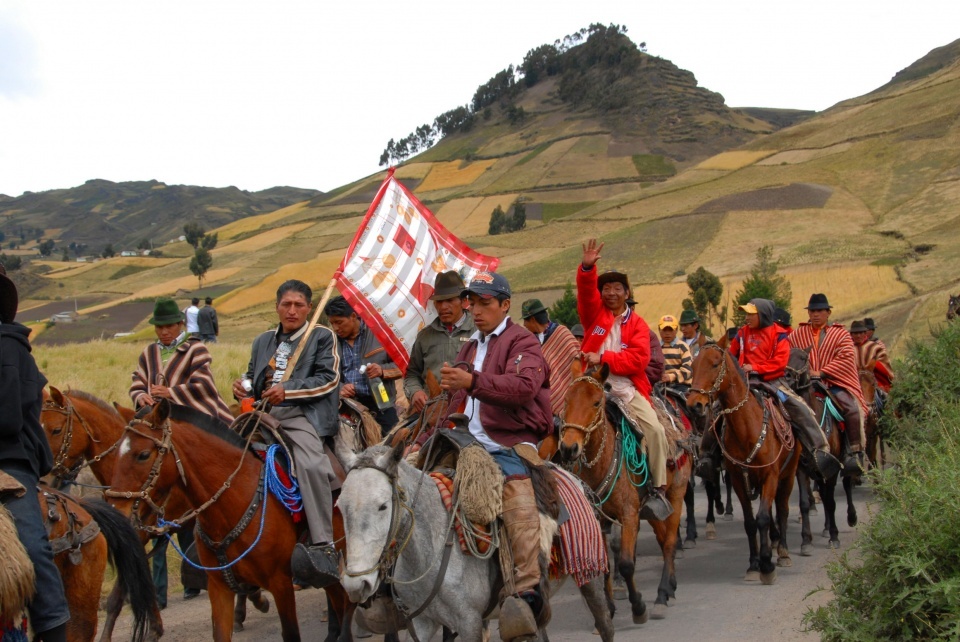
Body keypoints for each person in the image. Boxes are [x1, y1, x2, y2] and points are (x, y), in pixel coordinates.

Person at [412, 271, 552, 640]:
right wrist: (422, 438)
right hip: (463, 439)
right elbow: (452, 401)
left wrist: (473, 382)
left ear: (505, 305)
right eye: (472, 302)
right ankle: (398, 583)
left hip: (509, 440)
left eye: (485, 302)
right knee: (406, 481)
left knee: (517, 497)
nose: (475, 309)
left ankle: (527, 590)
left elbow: (523, 388)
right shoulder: (469, 348)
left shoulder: (522, 341)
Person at [231, 279, 341, 588]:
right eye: (286, 304)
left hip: (300, 414)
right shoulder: (263, 340)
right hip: (260, 414)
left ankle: (323, 544)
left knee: (312, 464)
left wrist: (288, 390)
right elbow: (253, 375)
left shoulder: (322, 336)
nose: (291, 310)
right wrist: (242, 386)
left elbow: (329, 379)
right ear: (277, 306)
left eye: (299, 305)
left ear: (308, 307)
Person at [130, 297, 233, 604]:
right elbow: (136, 383)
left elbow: (204, 385)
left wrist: (169, 393)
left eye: (168, 326)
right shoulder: (149, 353)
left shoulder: (196, 348)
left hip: (191, 428)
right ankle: (159, 590)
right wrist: (142, 398)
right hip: (160, 430)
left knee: (194, 505)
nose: (163, 332)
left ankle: (195, 579)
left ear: (179, 325)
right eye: (159, 327)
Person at [576, 239, 673, 520]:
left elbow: (639, 361)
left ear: (627, 293)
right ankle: (567, 483)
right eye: (606, 288)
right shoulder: (593, 315)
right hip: (593, 386)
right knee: (566, 424)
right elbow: (585, 293)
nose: (611, 293)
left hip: (626, 388)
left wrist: (604, 359)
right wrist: (587, 268)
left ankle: (658, 489)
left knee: (654, 430)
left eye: (617, 288)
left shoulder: (638, 324)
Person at [0, 264, 70, 642]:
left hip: (8, 460)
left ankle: (52, 623)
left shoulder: (7, 345)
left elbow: (7, 418)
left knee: (30, 543)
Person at [729, 299, 841, 483]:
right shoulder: (742, 334)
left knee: (800, 408)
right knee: (718, 408)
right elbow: (731, 355)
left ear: (763, 315)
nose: (747, 317)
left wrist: (755, 367)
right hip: (744, 383)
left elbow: (780, 362)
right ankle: (708, 456)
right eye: (746, 314)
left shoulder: (779, 334)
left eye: (751, 314)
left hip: (773, 382)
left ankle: (819, 451)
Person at [789, 293, 868, 475]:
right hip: (804, 385)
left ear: (828, 313)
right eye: (812, 311)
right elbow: (790, 356)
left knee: (851, 408)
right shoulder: (797, 335)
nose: (815, 314)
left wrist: (822, 372)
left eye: (819, 311)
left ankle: (853, 451)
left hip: (833, 383)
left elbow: (847, 358)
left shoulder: (840, 334)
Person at [325, 296, 401, 434]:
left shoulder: (380, 335)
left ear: (353, 316)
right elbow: (326, 374)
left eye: (339, 322)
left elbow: (401, 366)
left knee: (394, 438)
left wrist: (382, 371)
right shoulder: (330, 343)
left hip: (381, 400)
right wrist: (341, 387)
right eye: (332, 323)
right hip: (348, 403)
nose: (336, 328)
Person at [403, 271, 475, 414]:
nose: (443, 307)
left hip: (469, 410)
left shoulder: (478, 332)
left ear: (463, 301)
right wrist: (415, 392)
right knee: (397, 435)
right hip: (430, 410)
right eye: (439, 301)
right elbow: (412, 374)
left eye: (449, 300)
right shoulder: (424, 336)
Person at [521, 298, 581, 418]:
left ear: (532, 319)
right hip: (546, 406)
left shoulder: (562, 333)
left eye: (525, 321)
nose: (524, 325)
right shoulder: (530, 342)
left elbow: (578, 361)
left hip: (575, 397)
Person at [627, 297, 667, 388]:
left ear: (632, 309)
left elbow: (655, 368)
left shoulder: (646, 333)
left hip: (637, 384)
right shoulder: (607, 331)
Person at [850, 319, 894, 393]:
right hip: (853, 381)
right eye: (855, 333)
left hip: (873, 379)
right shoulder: (847, 349)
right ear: (851, 335)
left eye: (861, 333)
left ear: (865, 333)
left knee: (882, 394)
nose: (858, 336)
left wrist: (871, 366)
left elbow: (884, 364)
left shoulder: (875, 347)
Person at [658, 315, 692, 389]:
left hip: (681, 385)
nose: (667, 333)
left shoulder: (682, 346)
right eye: (664, 330)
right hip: (660, 384)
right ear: (659, 330)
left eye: (670, 330)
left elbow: (688, 369)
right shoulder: (656, 348)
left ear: (676, 330)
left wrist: (671, 377)